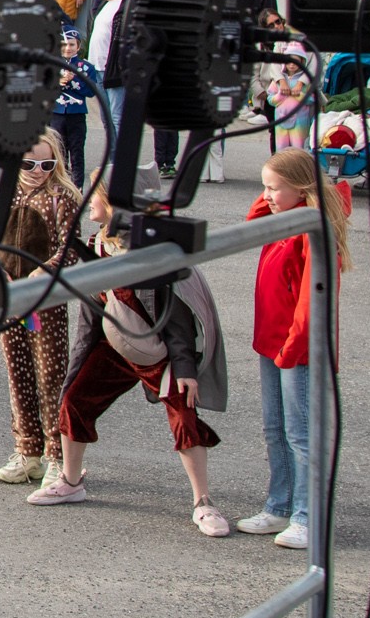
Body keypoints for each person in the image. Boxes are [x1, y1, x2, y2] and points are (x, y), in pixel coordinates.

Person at [31, 199, 236, 538]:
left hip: (157, 352)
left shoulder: (151, 252)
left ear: (114, 203)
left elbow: (177, 317)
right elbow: (90, 318)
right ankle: (70, 482)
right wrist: (77, 368)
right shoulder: (96, 246)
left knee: (184, 415)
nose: (89, 202)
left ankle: (204, 502)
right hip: (113, 346)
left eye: (97, 197)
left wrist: (184, 367)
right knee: (75, 400)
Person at [234, 150, 349, 550]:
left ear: (301, 190)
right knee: (274, 429)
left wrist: (293, 346)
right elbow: (253, 222)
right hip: (273, 341)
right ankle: (280, 505)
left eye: (271, 188)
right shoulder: (282, 215)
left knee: (302, 434)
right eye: (263, 187)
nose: (265, 195)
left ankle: (307, 515)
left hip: (297, 348)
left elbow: (311, 300)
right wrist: (271, 193)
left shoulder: (313, 229)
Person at [0, 128, 84, 488]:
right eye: (30, 162)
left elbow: (70, 248)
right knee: (18, 375)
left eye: (47, 164)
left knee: (50, 377)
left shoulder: (62, 196)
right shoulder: (3, 193)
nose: (37, 170)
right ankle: (26, 451)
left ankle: (55, 456)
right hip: (10, 299)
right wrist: (0, 277)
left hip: (45, 302)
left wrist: (40, 275)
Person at [49, 29, 101, 186]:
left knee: (77, 152)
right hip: (56, 114)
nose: (67, 48)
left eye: (72, 44)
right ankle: (61, 187)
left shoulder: (86, 68)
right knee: (59, 152)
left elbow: (91, 92)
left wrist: (73, 82)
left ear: (78, 47)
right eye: (64, 44)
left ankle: (78, 188)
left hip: (76, 115)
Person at [87, 0, 129, 147]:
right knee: (107, 120)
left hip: (113, 70)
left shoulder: (126, 6)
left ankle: (122, 164)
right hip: (97, 69)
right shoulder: (104, 4)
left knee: (118, 118)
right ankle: (112, 161)